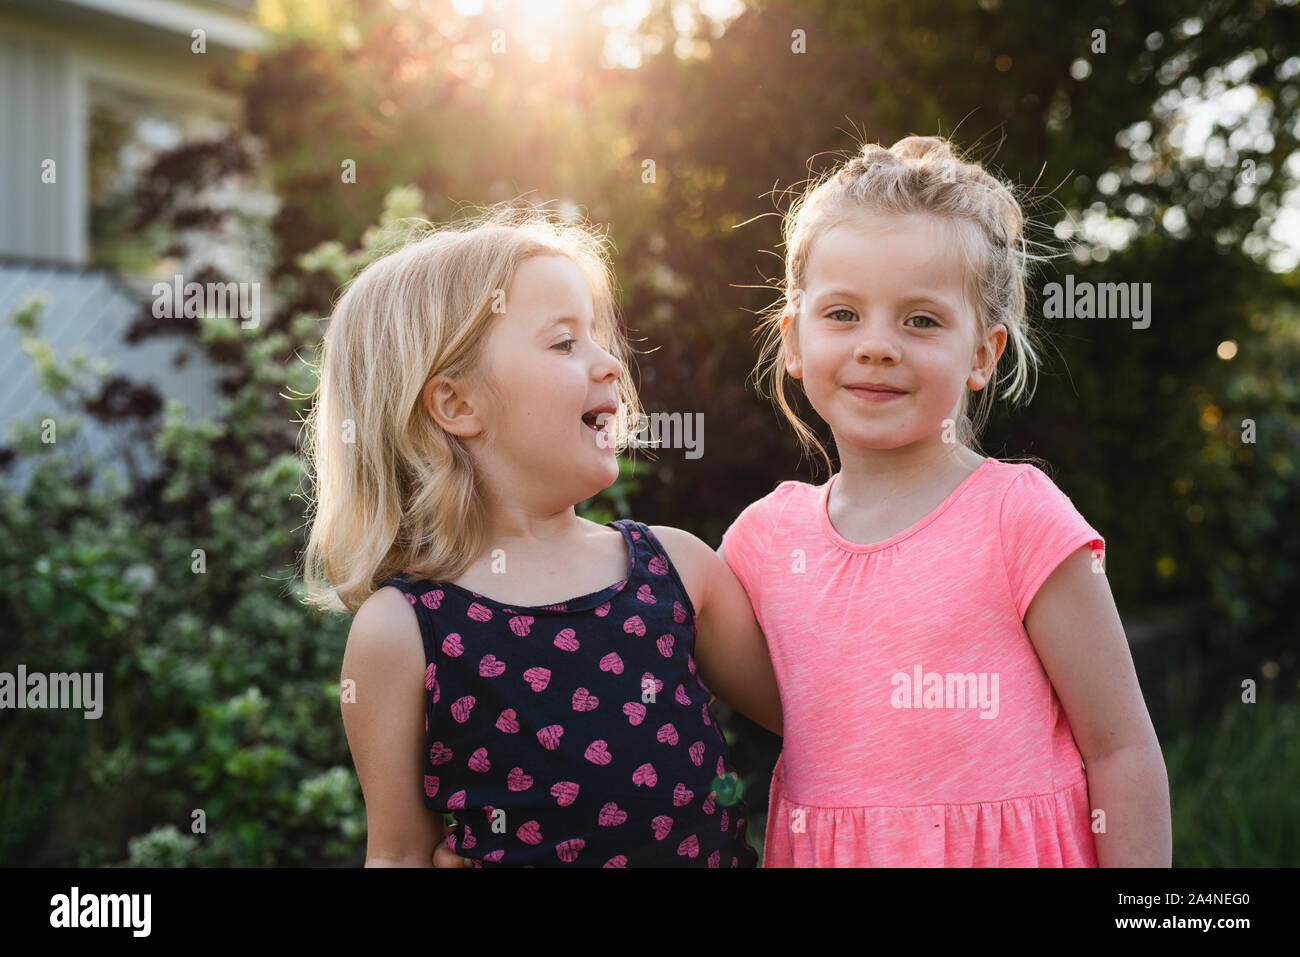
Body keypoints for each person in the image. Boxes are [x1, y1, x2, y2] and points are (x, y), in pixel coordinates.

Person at [720, 135, 1171, 866]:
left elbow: (1120, 748)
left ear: (983, 355)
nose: (877, 345)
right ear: (793, 340)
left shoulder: (1019, 517)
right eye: (841, 314)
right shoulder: (764, 542)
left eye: (921, 319)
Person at [301, 204, 781, 867]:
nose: (610, 362)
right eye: (564, 343)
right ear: (457, 404)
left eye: (597, 336)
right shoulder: (402, 632)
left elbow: (819, 716)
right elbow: (400, 852)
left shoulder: (679, 568)